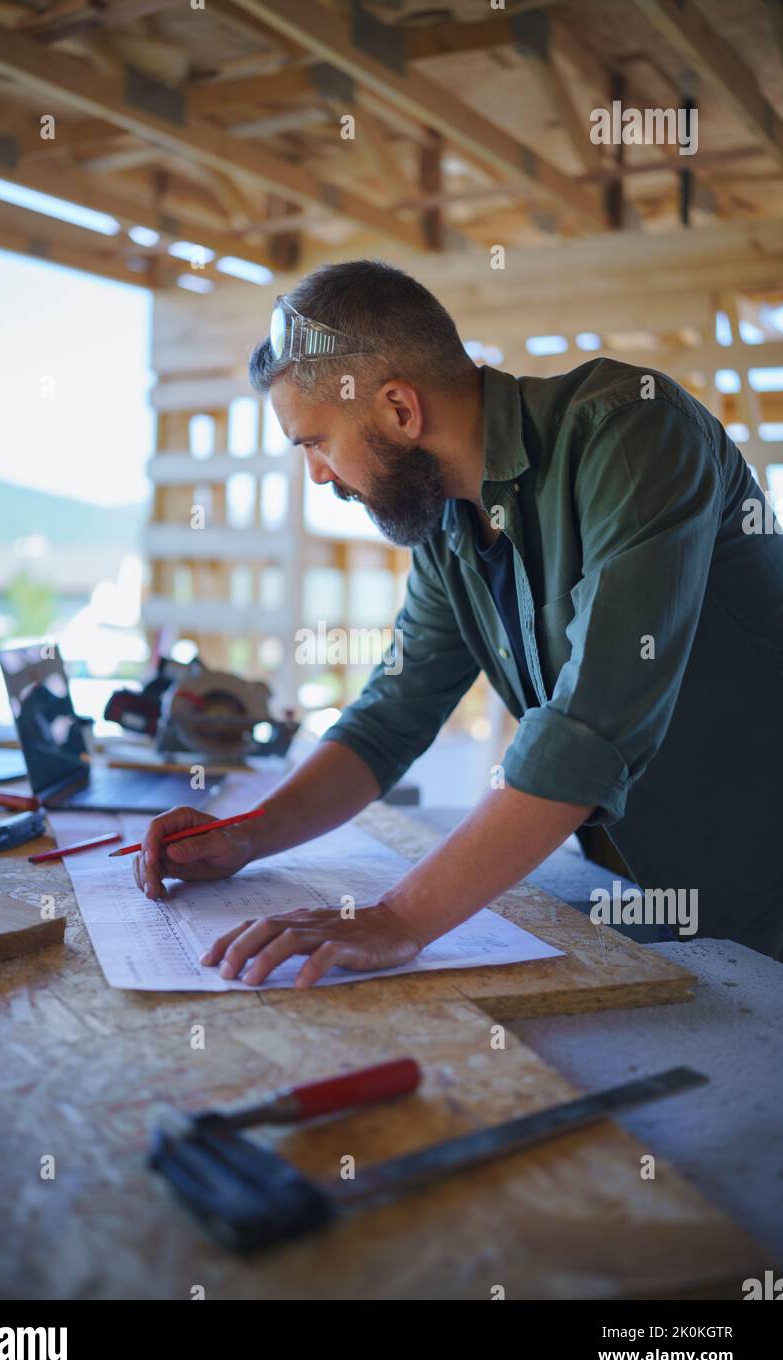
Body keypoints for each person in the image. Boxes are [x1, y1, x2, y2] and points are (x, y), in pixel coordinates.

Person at [134, 260, 783, 982]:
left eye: (315, 441)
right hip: (647, 895)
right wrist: (248, 837)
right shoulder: (449, 525)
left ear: (399, 410)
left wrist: (401, 917)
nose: (317, 474)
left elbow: (591, 722)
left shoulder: (630, 430)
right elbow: (389, 717)